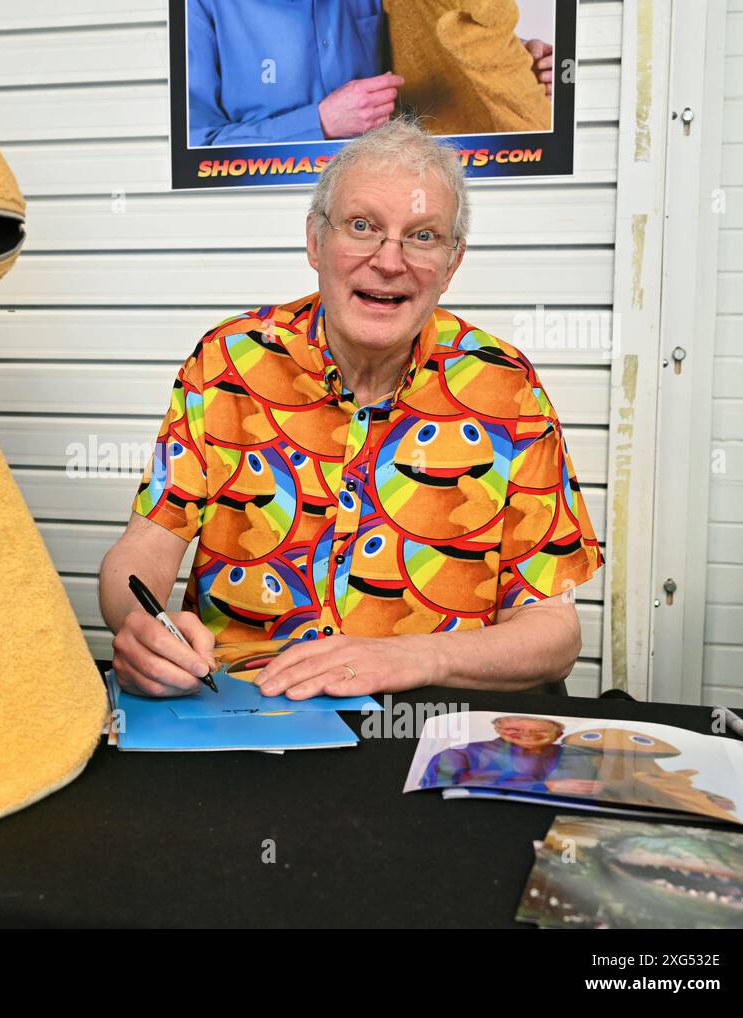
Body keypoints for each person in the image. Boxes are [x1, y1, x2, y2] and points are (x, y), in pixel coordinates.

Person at [99, 116, 603, 699]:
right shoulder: (226, 363)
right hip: (244, 711)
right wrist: (138, 626)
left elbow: (554, 634)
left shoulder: (507, 386)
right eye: (363, 226)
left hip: (428, 721)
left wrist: (412, 658)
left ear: (452, 262)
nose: (389, 261)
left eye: (422, 236)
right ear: (316, 241)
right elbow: (142, 550)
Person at [187, 0, 554, 145]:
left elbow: (433, 33)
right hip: (271, 210)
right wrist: (320, 122)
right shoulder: (198, 9)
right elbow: (196, 146)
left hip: (393, 193)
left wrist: (514, 57)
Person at [419, 716, 602, 794]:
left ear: (558, 734)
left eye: (539, 731)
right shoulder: (458, 754)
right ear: (498, 728)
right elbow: (439, 788)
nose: (527, 734)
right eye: (514, 729)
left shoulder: (583, 757)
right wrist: (544, 787)